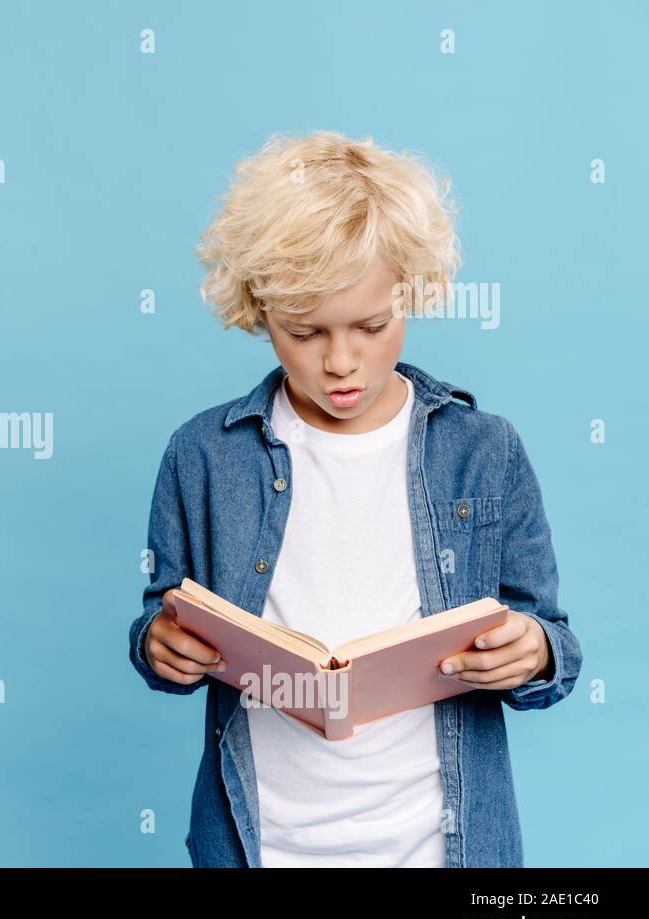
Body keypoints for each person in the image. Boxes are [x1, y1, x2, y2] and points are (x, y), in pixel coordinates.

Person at [129, 131, 580, 867]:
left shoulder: (483, 451)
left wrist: (532, 653)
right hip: (259, 843)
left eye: (372, 326)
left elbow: (553, 644)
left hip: (441, 848)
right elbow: (159, 618)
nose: (340, 361)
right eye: (303, 332)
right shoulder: (201, 455)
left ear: (412, 291)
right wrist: (158, 645)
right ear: (259, 307)